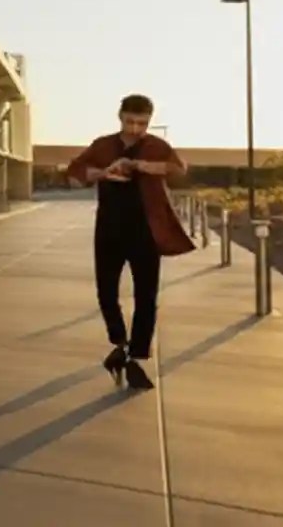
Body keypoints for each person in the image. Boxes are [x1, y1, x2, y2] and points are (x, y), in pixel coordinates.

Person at [66, 94, 194, 390]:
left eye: (142, 123)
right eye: (130, 122)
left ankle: (135, 356)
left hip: (146, 232)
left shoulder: (156, 146)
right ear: (119, 116)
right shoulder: (102, 145)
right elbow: (74, 175)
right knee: (106, 293)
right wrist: (104, 172)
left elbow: (177, 168)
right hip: (109, 230)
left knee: (146, 298)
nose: (135, 129)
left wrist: (138, 165)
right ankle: (120, 345)